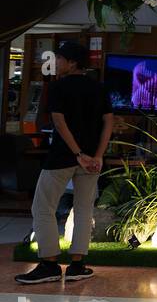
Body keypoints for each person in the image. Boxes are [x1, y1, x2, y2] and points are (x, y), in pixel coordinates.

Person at [18, 41, 113, 285]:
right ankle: (77, 265)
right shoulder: (99, 88)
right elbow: (108, 122)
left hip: (62, 156)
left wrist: (77, 152)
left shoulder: (58, 87)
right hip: (91, 161)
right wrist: (98, 155)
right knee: (83, 209)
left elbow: (59, 122)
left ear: (72, 62)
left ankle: (49, 264)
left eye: (59, 58)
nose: (55, 63)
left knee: (42, 207)